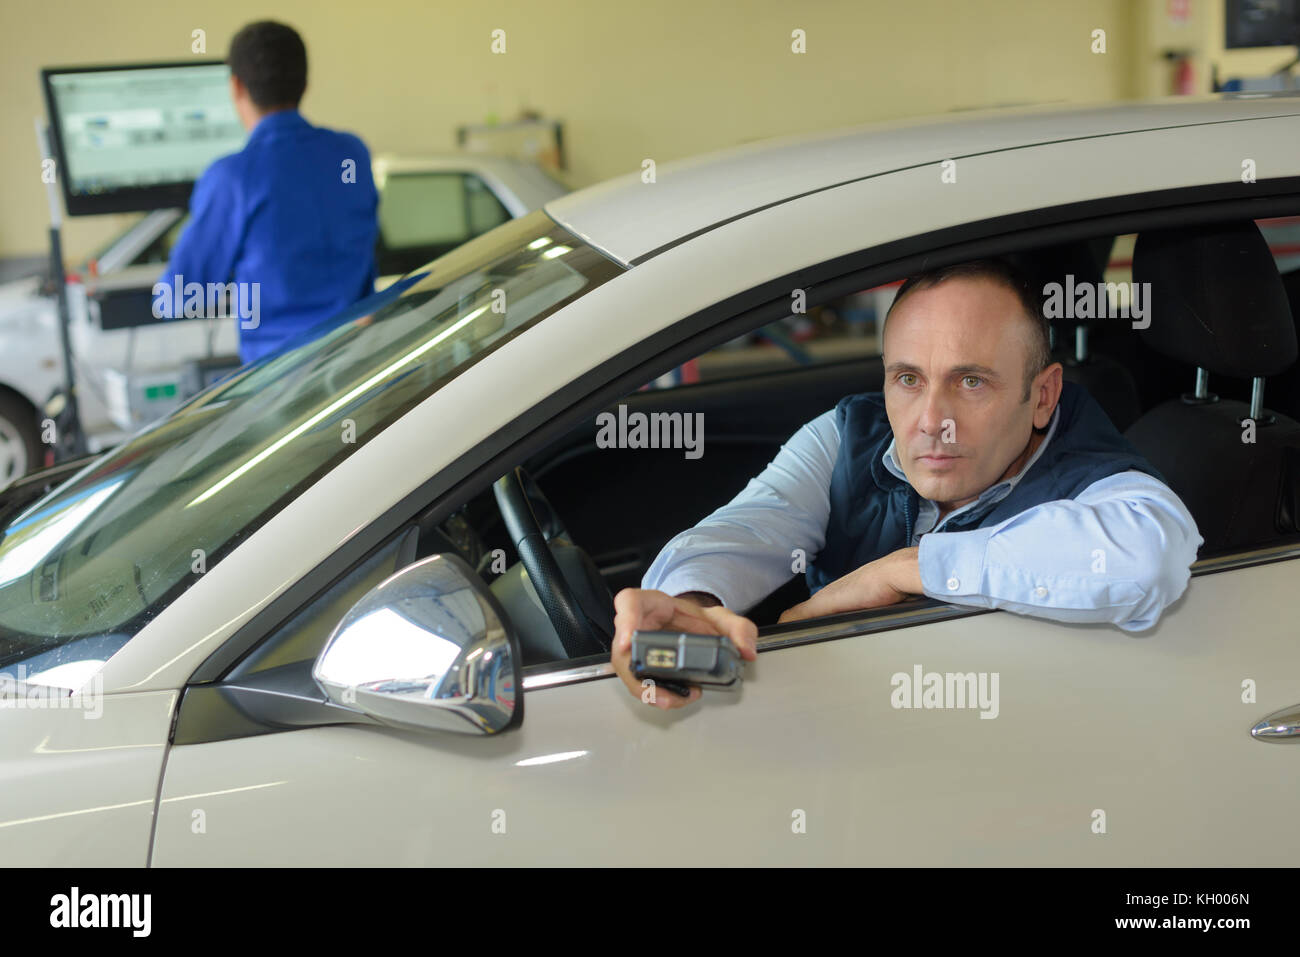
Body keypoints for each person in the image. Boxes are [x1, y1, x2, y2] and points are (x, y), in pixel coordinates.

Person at [610, 258, 1203, 709]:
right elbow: (747, 526)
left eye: (971, 382)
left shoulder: (1096, 473)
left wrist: (904, 570)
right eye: (909, 379)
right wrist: (689, 606)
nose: (930, 420)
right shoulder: (849, 435)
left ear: (1043, 395)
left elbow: (1147, 557)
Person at [156, 20, 379, 362]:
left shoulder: (232, 177)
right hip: (362, 364)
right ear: (305, 84)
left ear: (236, 87)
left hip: (280, 384)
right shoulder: (351, 153)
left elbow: (177, 298)